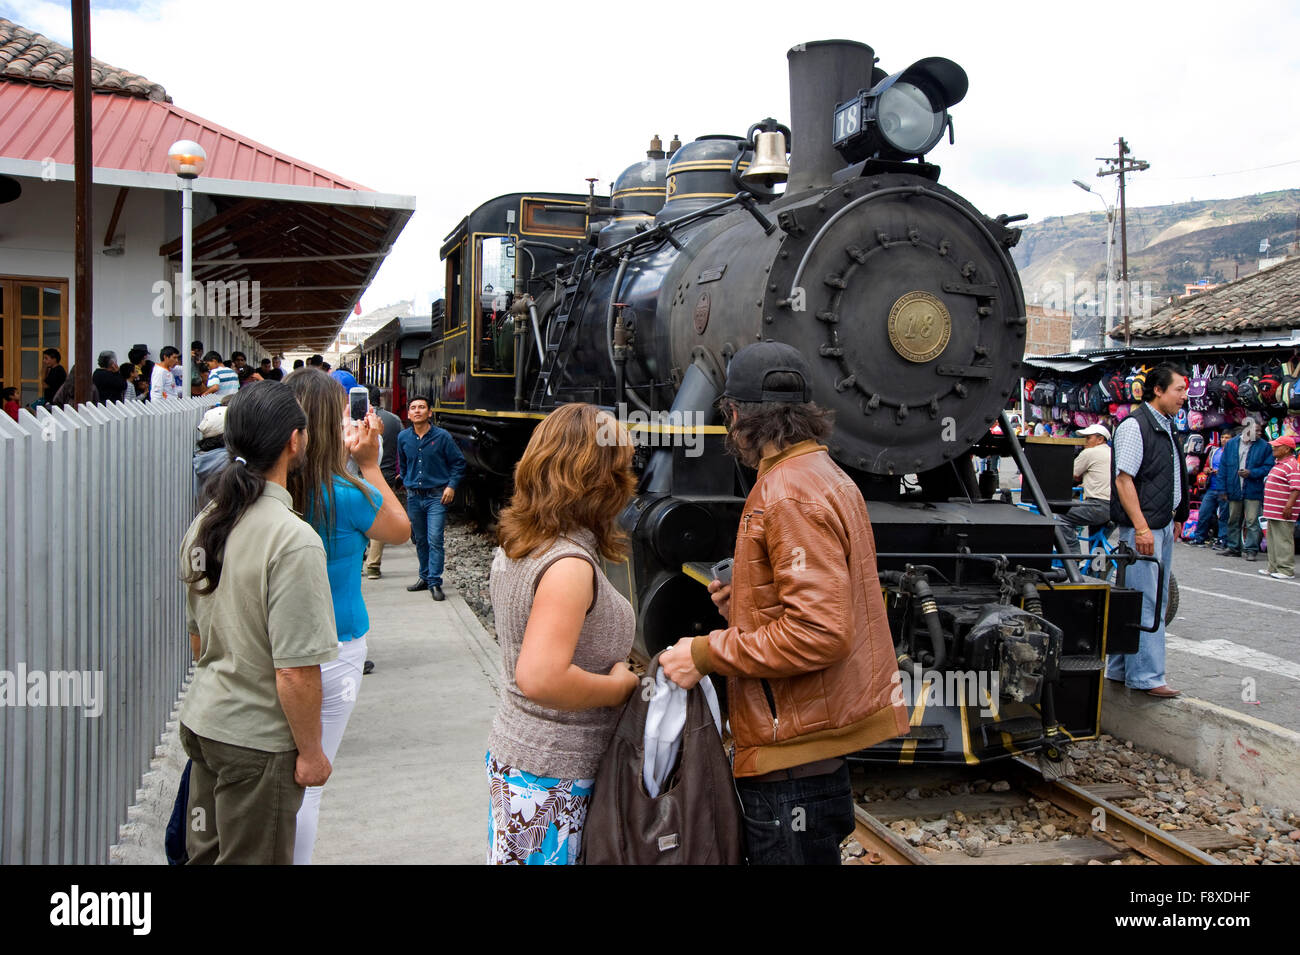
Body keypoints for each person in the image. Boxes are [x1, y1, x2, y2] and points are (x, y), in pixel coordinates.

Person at [660, 341, 909, 865]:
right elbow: (823, 603)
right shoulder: (825, 475)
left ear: (735, 415)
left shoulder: (786, 494)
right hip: (811, 755)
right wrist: (747, 605)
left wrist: (705, 653)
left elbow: (818, 632)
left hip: (790, 767)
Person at [178, 381, 339, 864]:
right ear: (295, 440)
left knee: (204, 854)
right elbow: (294, 670)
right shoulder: (294, 540)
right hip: (257, 744)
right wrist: (311, 753)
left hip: (206, 722)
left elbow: (197, 637)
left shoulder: (208, 520)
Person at [485, 403, 639, 865]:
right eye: (623, 467)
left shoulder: (527, 541)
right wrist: (618, 688)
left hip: (527, 761)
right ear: (598, 479)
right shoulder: (569, 565)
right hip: (555, 774)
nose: (630, 478)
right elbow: (542, 677)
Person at [285, 369, 410, 865]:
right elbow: (400, 530)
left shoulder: (264, 490)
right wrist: (370, 465)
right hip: (337, 645)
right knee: (310, 781)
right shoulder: (348, 495)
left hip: (274, 648)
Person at [1106, 363, 1189, 698]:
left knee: (1149, 598)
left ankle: (1120, 669)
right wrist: (1141, 528)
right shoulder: (1135, 426)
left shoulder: (1167, 427)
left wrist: (1177, 516)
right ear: (1158, 390)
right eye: (1179, 389)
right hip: (1145, 527)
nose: (1185, 396)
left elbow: (1171, 476)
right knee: (1147, 602)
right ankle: (1147, 678)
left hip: (1161, 523)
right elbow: (1124, 479)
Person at [398, 395, 466, 600]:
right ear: (409, 414)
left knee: (434, 538)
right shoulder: (403, 437)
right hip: (413, 497)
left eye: (421, 407)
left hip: (436, 496)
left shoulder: (443, 436)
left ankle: (435, 582)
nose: (417, 411)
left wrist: (451, 486)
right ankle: (424, 577)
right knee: (420, 539)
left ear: (429, 413)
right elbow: (402, 464)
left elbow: (458, 463)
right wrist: (406, 480)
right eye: (413, 408)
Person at [363, 386, 404, 580]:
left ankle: (359, 559)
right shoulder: (394, 420)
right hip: (386, 473)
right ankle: (373, 565)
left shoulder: (354, 421)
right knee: (378, 514)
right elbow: (400, 447)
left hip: (359, 472)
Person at [1217, 418, 1273, 561]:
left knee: (1252, 521)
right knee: (1233, 519)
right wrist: (1222, 489)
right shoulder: (1231, 444)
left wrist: (1252, 473)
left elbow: (1268, 467)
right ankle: (1233, 547)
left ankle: (1251, 550)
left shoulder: (1264, 446)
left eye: (1261, 430)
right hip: (1234, 487)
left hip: (1253, 489)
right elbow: (1223, 468)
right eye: (1257, 430)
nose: (1260, 433)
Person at [1061, 423, 1112, 552]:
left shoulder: (1090, 452)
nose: (1085, 442)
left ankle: (1073, 555)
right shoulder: (1111, 452)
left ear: (1100, 439)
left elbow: (1070, 474)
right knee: (1097, 542)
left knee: (1058, 514)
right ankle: (1096, 570)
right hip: (1115, 507)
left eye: (1088, 438)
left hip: (1098, 505)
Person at [1260, 436, 1299, 580]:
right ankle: (1273, 567)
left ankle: (1286, 569)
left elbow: (1296, 488)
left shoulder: (1292, 465)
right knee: (1272, 539)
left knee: (1283, 540)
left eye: (1277, 446)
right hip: (1274, 511)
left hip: (1284, 511)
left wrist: (1289, 506)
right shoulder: (1280, 463)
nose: (1274, 448)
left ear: (1287, 449)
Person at [1189, 427, 1235, 546]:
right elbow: (1205, 467)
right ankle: (1199, 538)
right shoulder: (1215, 451)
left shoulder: (1235, 453)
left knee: (1224, 516)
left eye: (1227, 438)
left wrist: (1222, 472)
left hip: (1225, 489)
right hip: (1212, 488)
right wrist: (1207, 470)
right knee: (1204, 513)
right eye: (1223, 437)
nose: (1224, 440)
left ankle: (1222, 540)